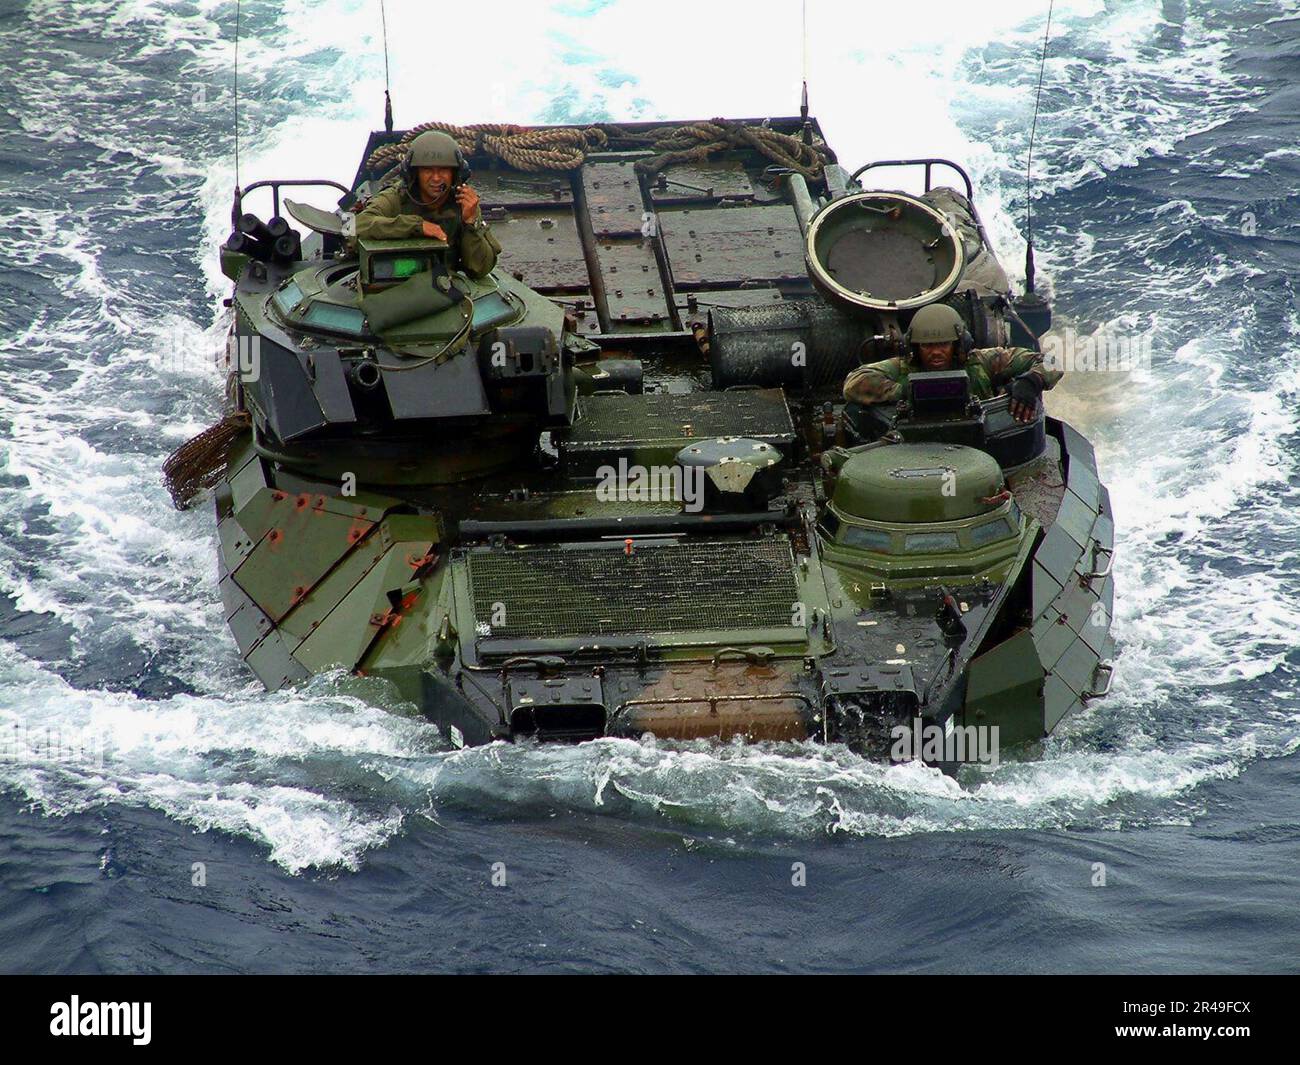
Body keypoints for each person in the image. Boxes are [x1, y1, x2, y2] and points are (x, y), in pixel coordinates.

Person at [843, 304, 1061, 423]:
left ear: (959, 344)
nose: (936, 352)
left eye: (944, 344)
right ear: (915, 348)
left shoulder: (982, 362)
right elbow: (854, 383)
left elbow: (1051, 363)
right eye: (927, 346)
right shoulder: (902, 368)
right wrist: (906, 391)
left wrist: (1031, 381)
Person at [354, 130, 501, 278]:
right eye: (427, 170)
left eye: (443, 169)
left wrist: (470, 223)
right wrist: (416, 226)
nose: (436, 178)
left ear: (455, 173)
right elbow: (354, 226)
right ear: (415, 173)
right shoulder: (397, 197)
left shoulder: (464, 204)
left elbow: (481, 269)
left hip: (445, 285)